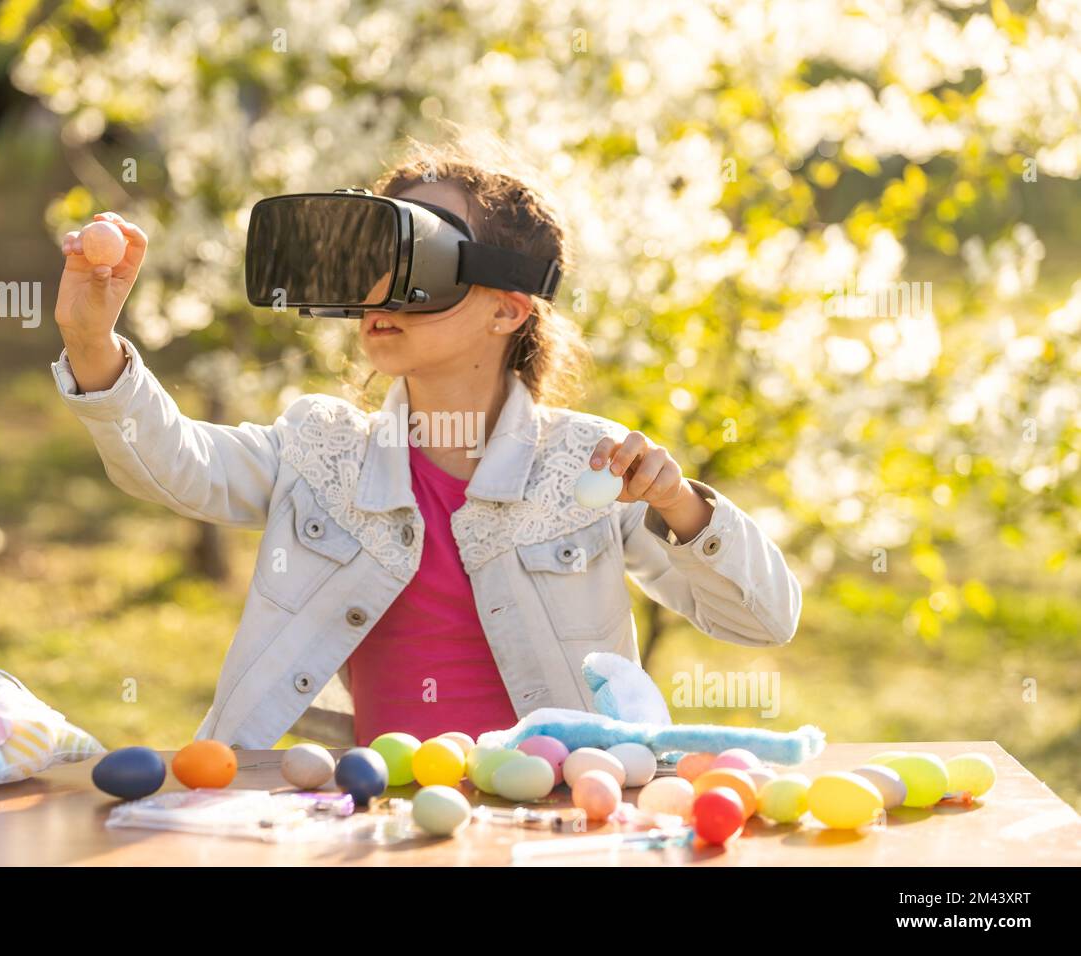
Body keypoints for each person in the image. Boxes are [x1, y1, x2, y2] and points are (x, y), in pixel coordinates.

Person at [49, 138, 801, 750]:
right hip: (380, 817)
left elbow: (763, 620)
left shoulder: (592, 466)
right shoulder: (322, 449)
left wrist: (681, 506)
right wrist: (91, 340)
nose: (379, 290)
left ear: (507, 310)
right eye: (375, 253)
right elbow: (178, 467)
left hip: (553, 819)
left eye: (417, 258)